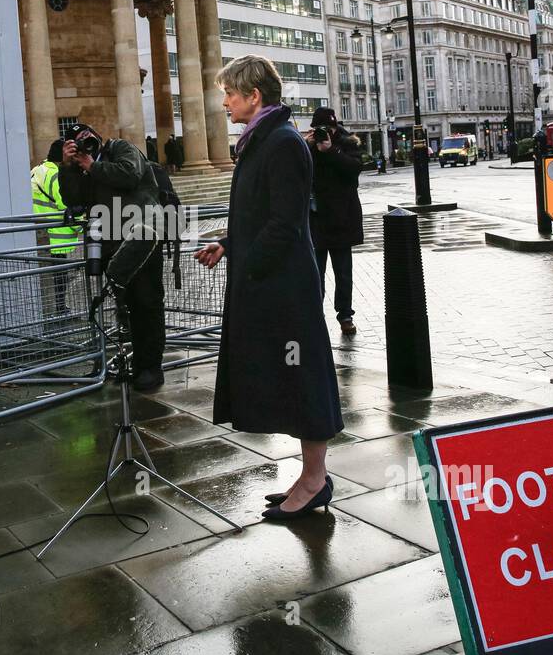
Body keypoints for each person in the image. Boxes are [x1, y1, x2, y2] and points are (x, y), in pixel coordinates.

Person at [194, 55, 343, 519]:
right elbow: (257, 217)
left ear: (253, 96)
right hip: (271, 283)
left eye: (230, 94)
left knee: (304, 379)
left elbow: (284, 226)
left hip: (285, 289)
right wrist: (226, 243)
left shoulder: (281, 143)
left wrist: (247, 265)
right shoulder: (264, 140)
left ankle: (316, 479)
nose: (224, 103)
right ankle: (308, 476)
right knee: (289, 379)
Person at [59, 122, 167, 392]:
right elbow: (72, 198)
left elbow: (130, 175)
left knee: (146, 304)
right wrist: (69, 166)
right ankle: (134, 364)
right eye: (77, 141)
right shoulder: (83, 167)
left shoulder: (120, 148)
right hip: (113, 248)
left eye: (87, 136)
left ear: (97, 136)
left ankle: (151, 368)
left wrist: (91, 165)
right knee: (126, 309)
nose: (85, 143)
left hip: (141, 242)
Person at [304, 107, 364, 336]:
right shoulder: (308, 147)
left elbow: (354, 169)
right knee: (315, 273)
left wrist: (330, 151)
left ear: (334, 126)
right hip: (317, 220)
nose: (324, 133)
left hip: (341, 219)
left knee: (343, 273)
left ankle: (345, 315)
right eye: (319, 129)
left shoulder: (348, 143)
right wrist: (307, 148)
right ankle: (315, 314)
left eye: (327, 128)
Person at [31, 138, 80, 315]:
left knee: (47, 275)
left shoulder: (37, 170)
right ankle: (59, 308)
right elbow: (67, 203)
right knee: (59, 275)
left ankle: (50, 309)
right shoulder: (56, 175)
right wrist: (84, 226)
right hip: (56, 235)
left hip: (38, 231)